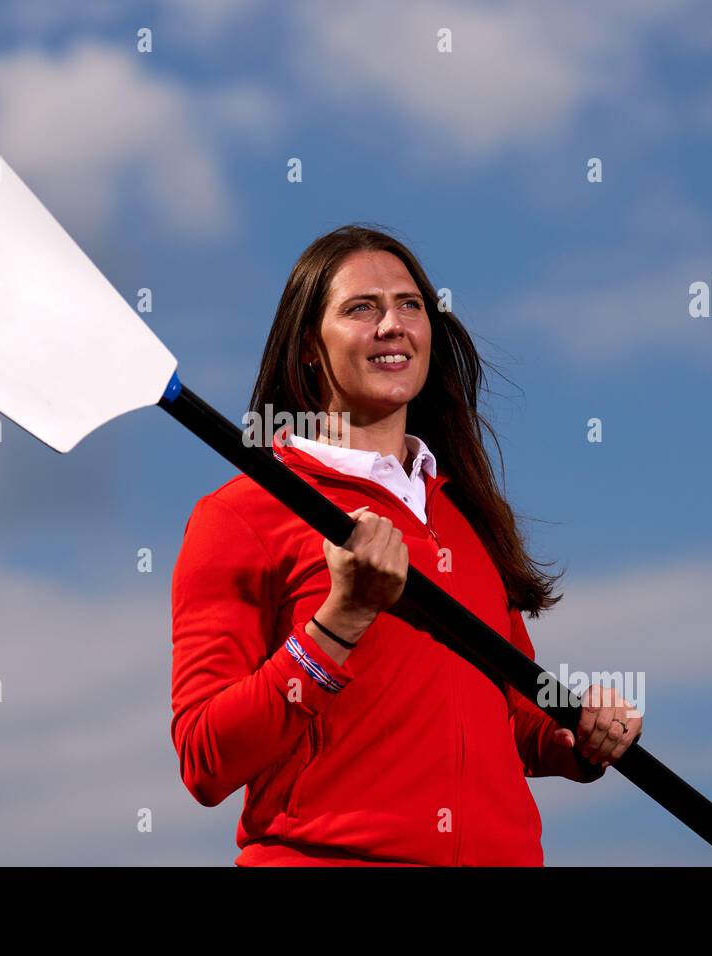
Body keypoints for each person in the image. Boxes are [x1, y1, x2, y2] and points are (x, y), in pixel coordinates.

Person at [169, 224, 641, 866]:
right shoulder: (242, 513)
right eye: (361, 308)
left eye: (410, 304)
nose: (392, 324)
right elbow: (205, 759)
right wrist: (340, 622)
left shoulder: (465, 517)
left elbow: (512, 712)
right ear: (310, 344)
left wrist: (577, 735)